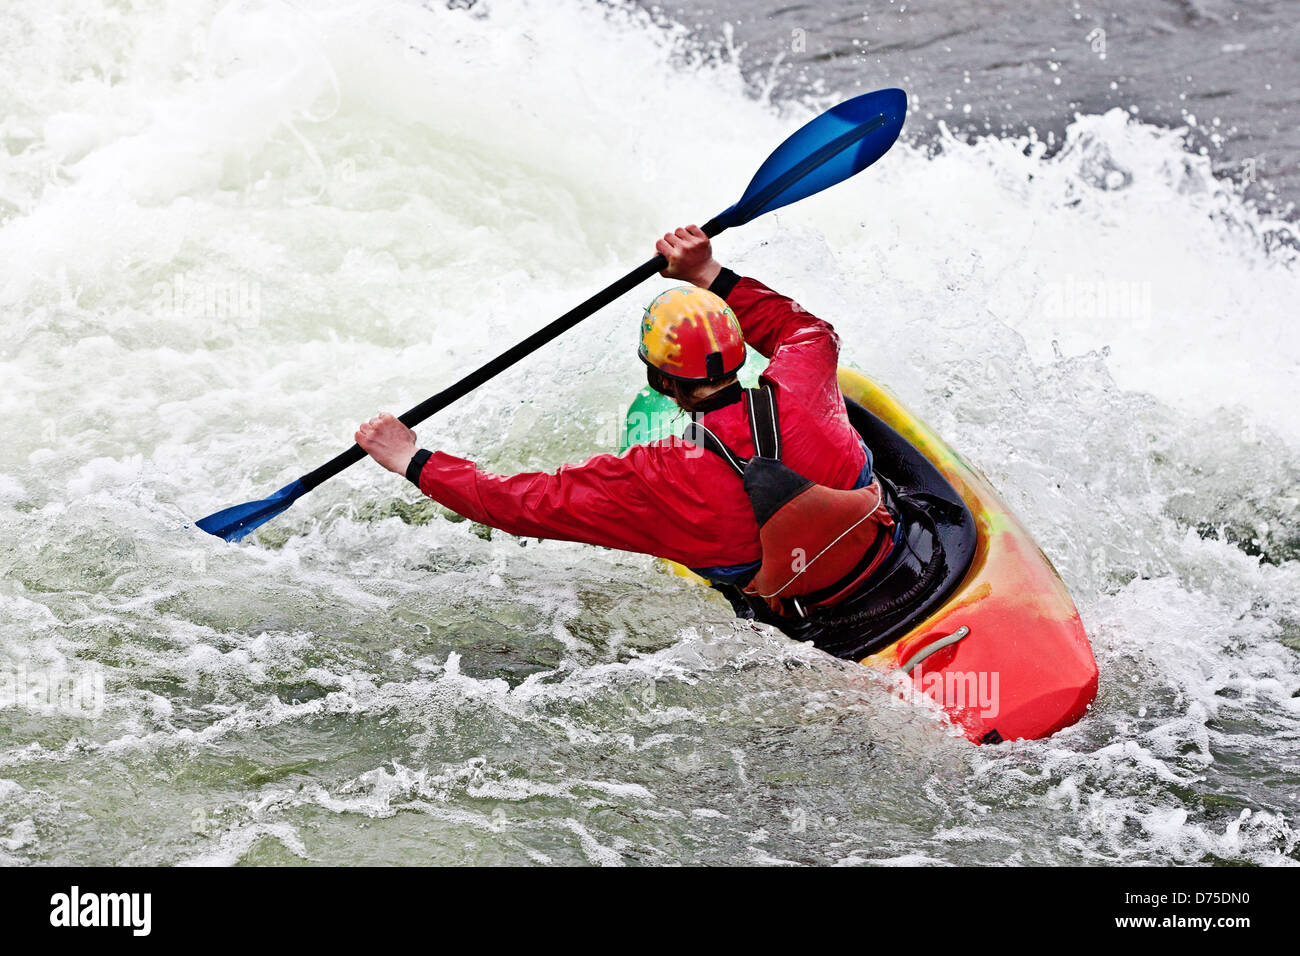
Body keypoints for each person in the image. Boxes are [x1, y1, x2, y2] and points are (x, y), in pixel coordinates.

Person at [356, 225, 909, 651]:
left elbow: (517, 503)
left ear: (661, 380)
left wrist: (411, 458)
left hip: (805, 615)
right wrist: (707, 270)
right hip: (898, 558)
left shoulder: (651, 476)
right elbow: (807, 330)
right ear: (741, 350)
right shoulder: (803, 377)